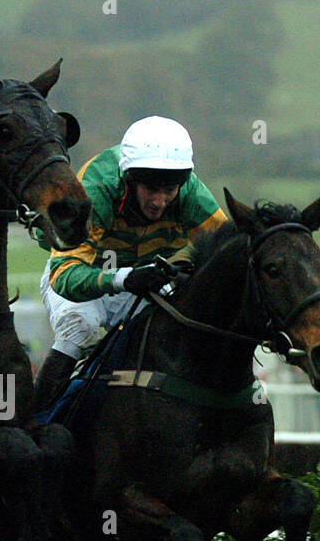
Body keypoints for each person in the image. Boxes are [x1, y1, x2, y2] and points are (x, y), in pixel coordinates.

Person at [33, 116, 229, 412]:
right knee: (80, 329)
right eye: (151, 189)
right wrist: (122, 279)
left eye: (169, 190)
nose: (160, 202)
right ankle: (35, 420)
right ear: (130, 180)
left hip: (141, 277)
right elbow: (64, 276)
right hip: (83, 273)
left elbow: (229, 252)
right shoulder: (96, 187)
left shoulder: (191, 194)